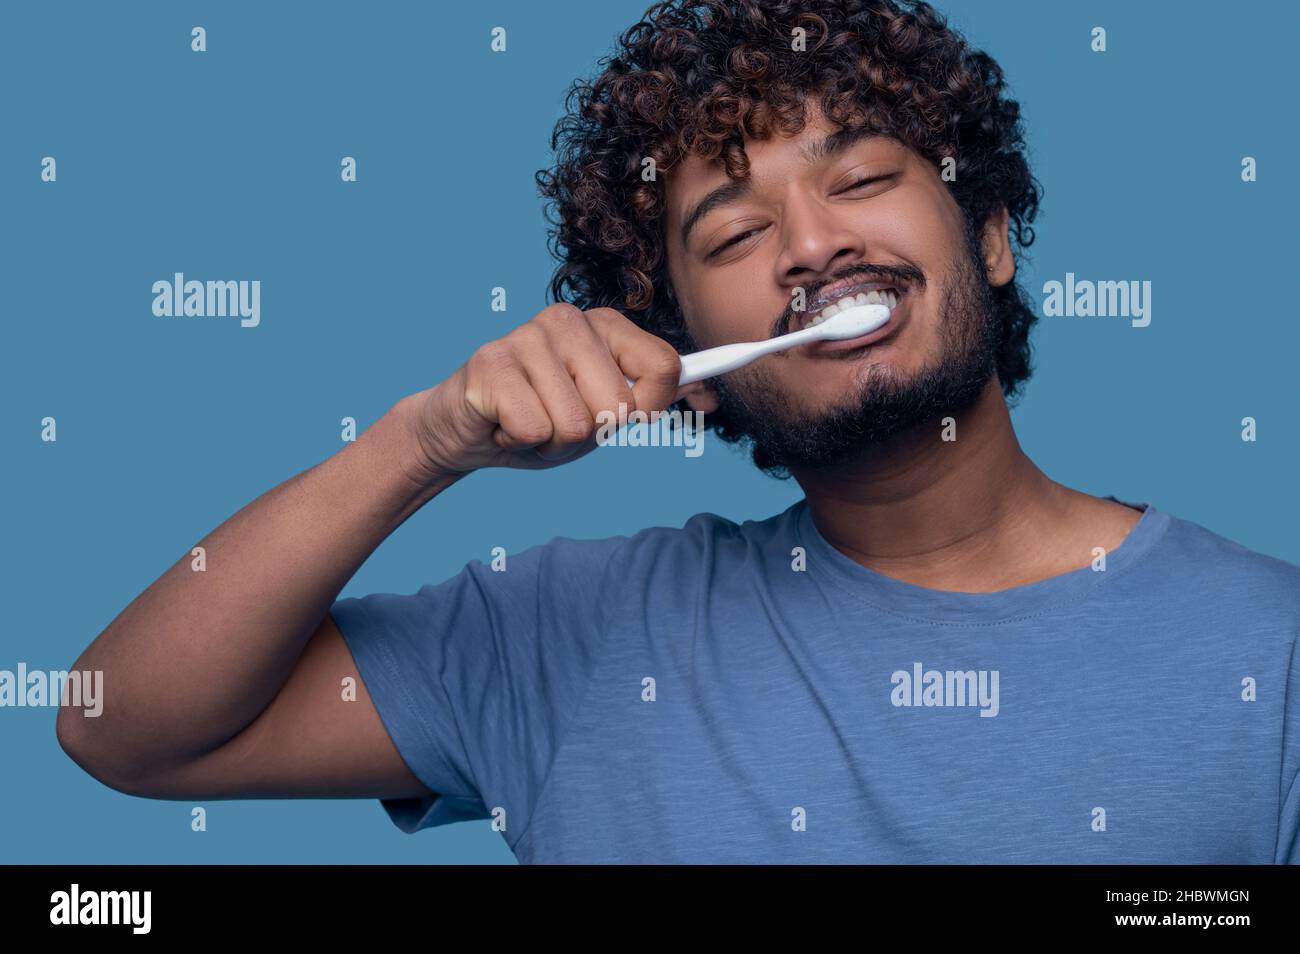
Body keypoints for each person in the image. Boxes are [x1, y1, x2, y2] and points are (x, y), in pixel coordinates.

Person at [57, 0, 1300, 864]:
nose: (812, 246)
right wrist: (423, 442)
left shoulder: (1274, 652)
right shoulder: (565, 636)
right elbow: (123, 724)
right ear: (685, 365)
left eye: (862, 180)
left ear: (986, 237)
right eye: (734, 235)